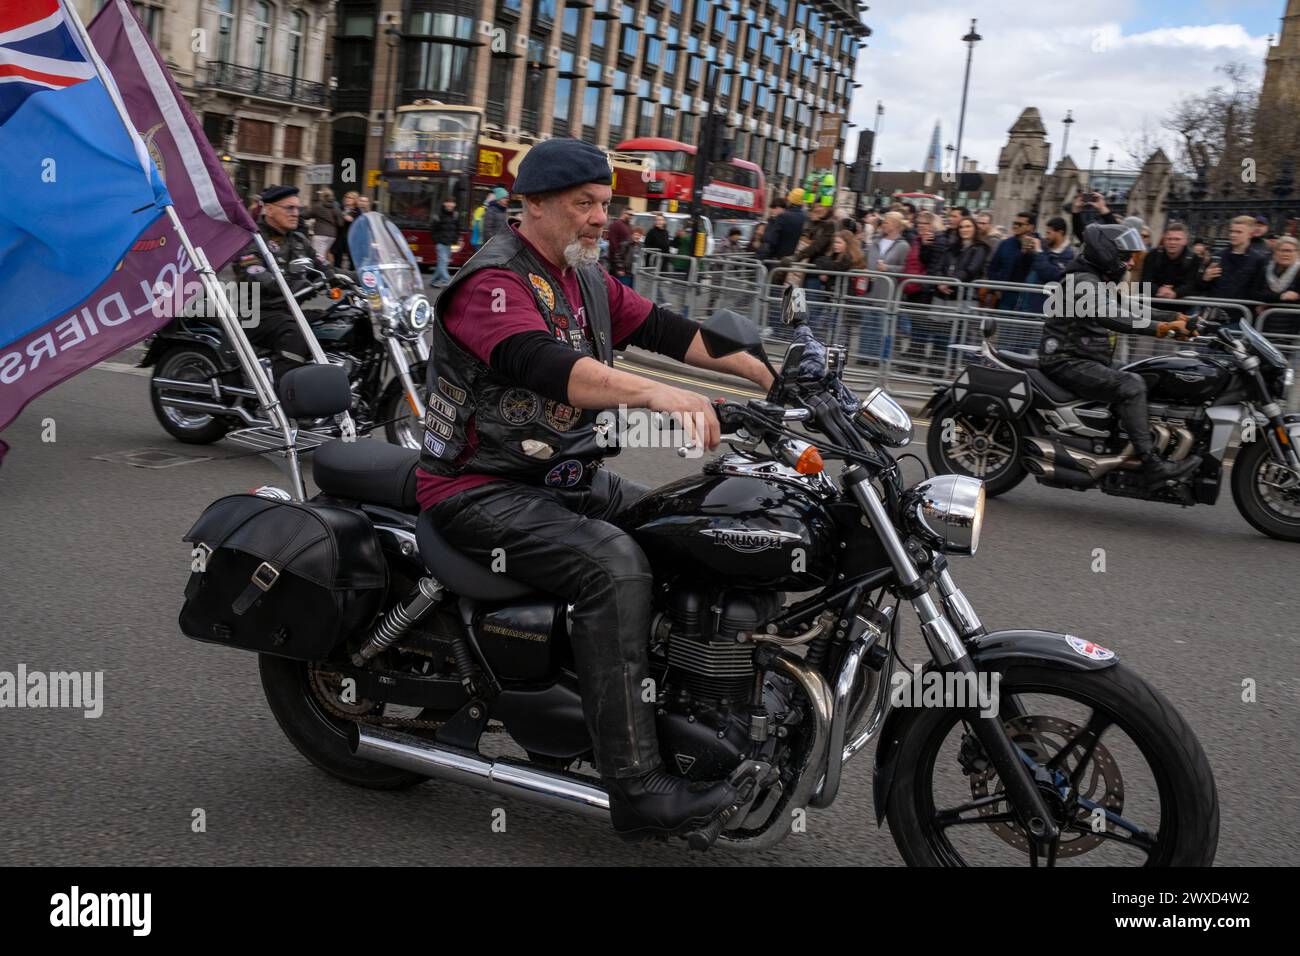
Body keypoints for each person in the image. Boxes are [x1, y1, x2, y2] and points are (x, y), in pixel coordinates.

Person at [415, 137, 774, 840]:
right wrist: (659, 396)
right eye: (584, 204)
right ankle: (636, 784)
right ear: (535, 203)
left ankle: (686, 708)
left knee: (687, 527)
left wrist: (771, 374)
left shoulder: (584, 279)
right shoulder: (493, 282)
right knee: (614, 567)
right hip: (479, 487)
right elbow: (547, 366)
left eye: (605, 206)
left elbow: (673, 331)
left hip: (563, 476)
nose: (598, 221)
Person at [1038, 223, 1203, 485]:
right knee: (1132, 385)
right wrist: (1162, 329)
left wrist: (1177, 318)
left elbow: (1128, 306)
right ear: (1107, 253)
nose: (1130, 262)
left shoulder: (1096, 278)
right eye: (1125, 256)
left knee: (1146, 374)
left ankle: (1124, 444)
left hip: (1087, 357)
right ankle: (1151, 463)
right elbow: (1110, 315)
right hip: (1065, 360)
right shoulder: (1082, 280)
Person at [231, 185, 326, 390]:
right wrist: (290, 282)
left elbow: (326, 268)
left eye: (298, 209)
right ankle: (283, 398)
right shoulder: (251, 239)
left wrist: (363, 276)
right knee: (294, 333)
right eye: (289, 208)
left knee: (335, 322)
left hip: (287, 311)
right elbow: (256, 274)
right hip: (258, 313)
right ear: (269, 209)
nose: (295, 214)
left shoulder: (299, 240)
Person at [1199, 215, 1267, 301]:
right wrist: (1205, 279)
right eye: (1231, 231)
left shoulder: (1258, 260)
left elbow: (1257, 290)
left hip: (1241, 310)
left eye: (1239, 232)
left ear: (1250, 234)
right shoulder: (1218, 256)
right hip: (1216, 308)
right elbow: (1201, 288)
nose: (1233, 235)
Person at [986, 211, 1039, 310]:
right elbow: (992, 267)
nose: (1015, 226)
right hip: (1004, 295)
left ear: (1030, 227)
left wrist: (1027, 252)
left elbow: (1031, 269)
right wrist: (996, 289)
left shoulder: (1039, 245)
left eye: (1019, 224)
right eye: (1014, 223)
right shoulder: (1005, 243)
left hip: (1026, 298)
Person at [1251, 235, 1300, 335]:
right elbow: (1254, 293)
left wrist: (1268, 302)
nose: (1285, 254)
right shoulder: (1265, 270)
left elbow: (1296, 297)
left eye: (1290, 251)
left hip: (1292, 328)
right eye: (1281, 250)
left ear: (1297, 253)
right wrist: (1281, 297)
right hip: (1264, 325)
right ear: (1275, 253)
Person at [1139, 221, 1199, 301]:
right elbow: (1144, 281)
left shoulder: (1194, 259)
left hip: (1180, 307)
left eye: (1177, 239)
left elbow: (1191, 285)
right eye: (1169, 239)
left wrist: (1175, 293)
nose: (1172, 242)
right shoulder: (1153, 255)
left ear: (1185, 241)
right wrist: (1159, 290)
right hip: (1153, 305)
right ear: (1164, 240)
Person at [430, 197, 460, 288]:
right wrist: (436, 240)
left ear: (454, 204)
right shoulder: (438, 215)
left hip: (449, 243)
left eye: (452, 203)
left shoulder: (455, 215)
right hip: (441, 243)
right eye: (448, 202)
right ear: (444, 204)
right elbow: (433, 229)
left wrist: (456, 239)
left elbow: (457, 229)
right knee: (443, 262)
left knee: (442, 263)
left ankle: (433, 280)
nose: (450, 204)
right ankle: (447, 280)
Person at [308, 187, 343, 263]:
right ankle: (326, 269)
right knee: (323, 256)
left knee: (317, 256)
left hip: (321, 234)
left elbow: (307, 215)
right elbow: (340, 223)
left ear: (322, 196)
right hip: (332, 236)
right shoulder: (336, 207)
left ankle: (319, 272)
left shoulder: (318, 206)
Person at [334, 191, 361, 268]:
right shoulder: (341, 208)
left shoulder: (357, 211)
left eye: (350, 198)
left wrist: (352, 220)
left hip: (352, 238)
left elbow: (359, 222)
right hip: (340, 236)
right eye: (346, 197)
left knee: (352, 258)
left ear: (355, 200)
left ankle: (353, 275)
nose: (347, 199)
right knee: (338, 257)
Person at [607, 207, 633, 285]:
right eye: (630, 214)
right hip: (617, 265)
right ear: (623, 213)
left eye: (632, 215)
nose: (631, 216)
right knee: (615, 287)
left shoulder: (629, 226)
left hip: (626, 265)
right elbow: (614, 247)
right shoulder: (615, 225)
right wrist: (619, 267)